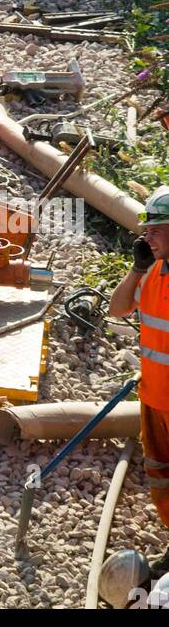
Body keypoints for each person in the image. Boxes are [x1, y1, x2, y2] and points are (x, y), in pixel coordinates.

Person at [108, 187, 169, 541]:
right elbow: (117, 309)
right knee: (160, 474)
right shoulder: (152, 272)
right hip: (153, 399)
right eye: (147, 231)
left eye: (157, 230)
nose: (149, 238)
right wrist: (136, 270)